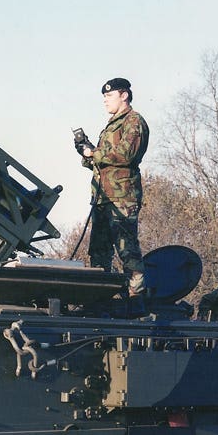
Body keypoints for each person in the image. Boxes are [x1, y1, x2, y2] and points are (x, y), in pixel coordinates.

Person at [80, 77, 150, 295]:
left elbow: (127, 154)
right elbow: (103, 161)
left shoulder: (133, 121)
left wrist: (95, 154)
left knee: (126, 249)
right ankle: (100, 297)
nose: (105, 101)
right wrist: (87, 154)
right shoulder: (111, 125)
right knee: (99, 251)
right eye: (104, 97)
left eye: (109, 96)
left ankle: (136, 298)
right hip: (103, 197)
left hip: (122, 198)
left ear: (124, 95)